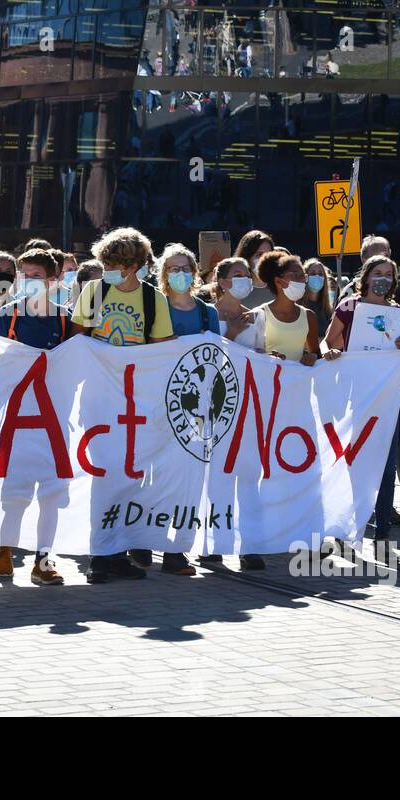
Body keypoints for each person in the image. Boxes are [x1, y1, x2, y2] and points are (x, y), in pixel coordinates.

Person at [71, 227, 172, 583]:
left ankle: (121, 549)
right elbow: (77, 341)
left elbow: (161, 350)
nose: (107, 269)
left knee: (132, 474)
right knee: (105, 473)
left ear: (132, 266)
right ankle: (101, 553)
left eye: (114, 264)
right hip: (100, 398)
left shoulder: (152, 299)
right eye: (105, 263)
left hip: (137, 398)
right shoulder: (93, 292)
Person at [0, 250, 70, 585]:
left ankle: (45, 560)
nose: (28, 281)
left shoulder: (65, 319)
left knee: (52, 492)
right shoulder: (7, 316)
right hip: (15, 418)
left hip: (54, 417)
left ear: (52, 281)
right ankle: (4, 546)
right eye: (25, 275)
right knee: (16, 493)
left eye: (35, 275)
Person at [327, 255, 400, 536]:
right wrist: (338, 353)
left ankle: (383, 526)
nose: (383, 279)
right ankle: (357, 512)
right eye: (378, 273)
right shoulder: (348, 307)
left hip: (387, 395)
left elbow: (397, 348)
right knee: (356, 458)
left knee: (387, 461)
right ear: (365, 277)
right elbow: (330, 342)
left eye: (389, 275)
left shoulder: (395, 311)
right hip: (357, 394)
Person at [157, 243, 218, 576]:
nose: (179, 275)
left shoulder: (207, 313)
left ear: (195, 274)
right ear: (163, 274)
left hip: (196, 410)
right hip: (158, 406)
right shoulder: (155, 308)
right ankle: (145, 537)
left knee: (189, 481)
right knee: (159, 479)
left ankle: (177, 548)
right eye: (173, 269)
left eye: (185, 269)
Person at [255, 251, 328, 364]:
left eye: (303, 276)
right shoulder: (259, 314)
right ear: (278, 281)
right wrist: (265, 358)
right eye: (295, 275)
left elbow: (317, 356)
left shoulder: (309, 316)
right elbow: (247, 357)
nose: (301, 280)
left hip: (299, 381)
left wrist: (312, 357)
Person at [211, 257, 267, 352]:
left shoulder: (257, 317)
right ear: (223, 282)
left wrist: (273, 357)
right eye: (238, 275)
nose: (245, 279)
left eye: (248, 276)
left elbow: (260, 355)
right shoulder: (207, 313)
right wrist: (232, 333)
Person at [233, 230, 276, 309]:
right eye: (259, 254)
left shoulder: (280, 287)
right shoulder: (235, 288)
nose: (265, 258)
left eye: (269, 254)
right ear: (247, 257)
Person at [300, 258, 334, 334]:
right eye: (312, 273)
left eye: (320, 274)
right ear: (305, 277)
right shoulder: (297, 306)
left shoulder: (328, 309)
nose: (317, 276)